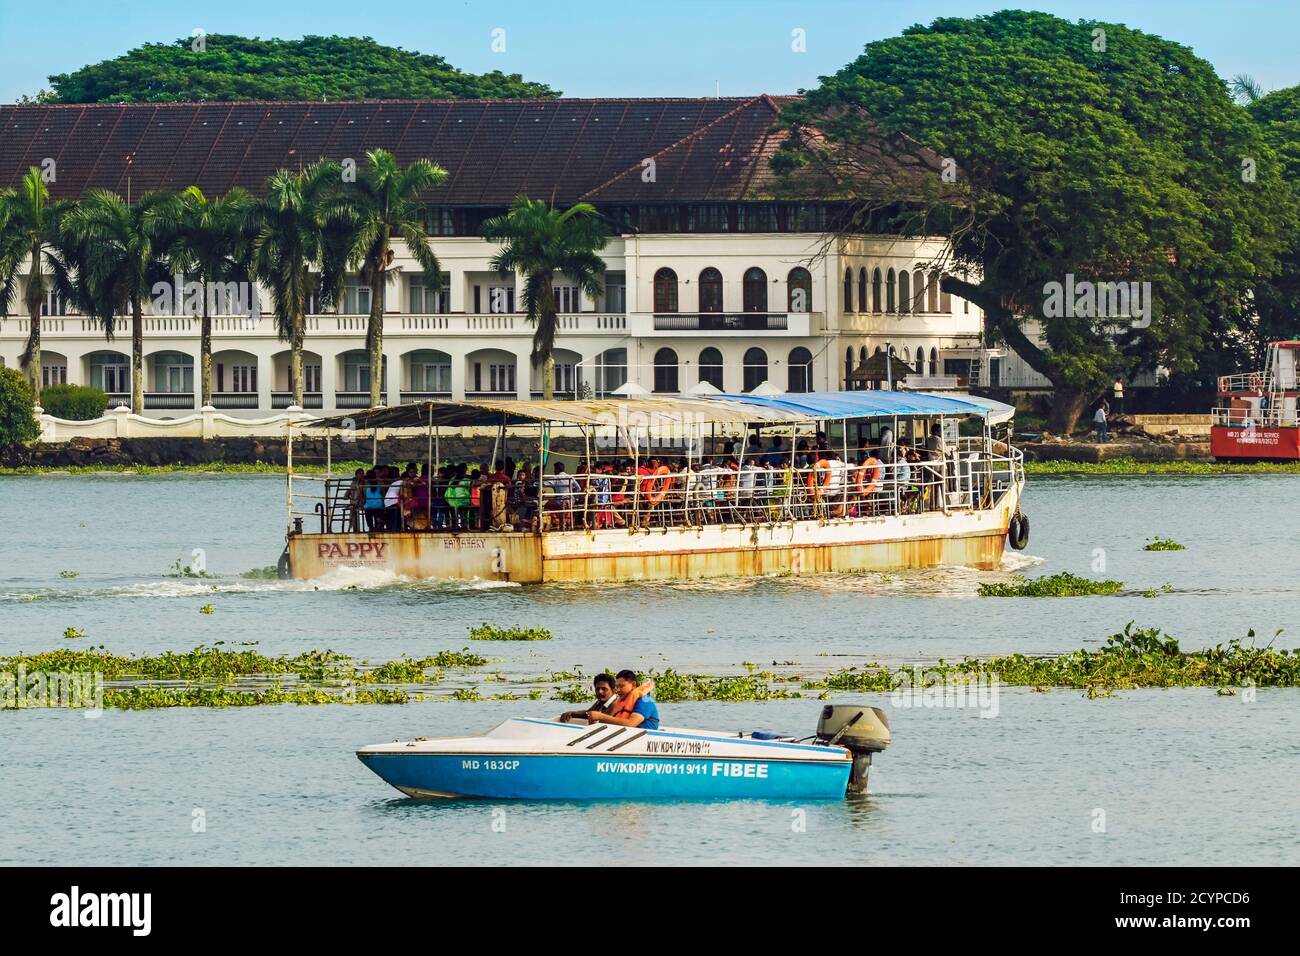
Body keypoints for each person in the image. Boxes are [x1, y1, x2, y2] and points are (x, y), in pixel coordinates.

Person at [585, 670, 660, 730]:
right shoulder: (621, 701)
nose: (618, 690)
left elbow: (630, 724)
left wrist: (601, 716)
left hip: (645, 737)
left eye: (621, 686)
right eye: (617, 686)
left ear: (633, 685)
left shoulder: (645, 700)